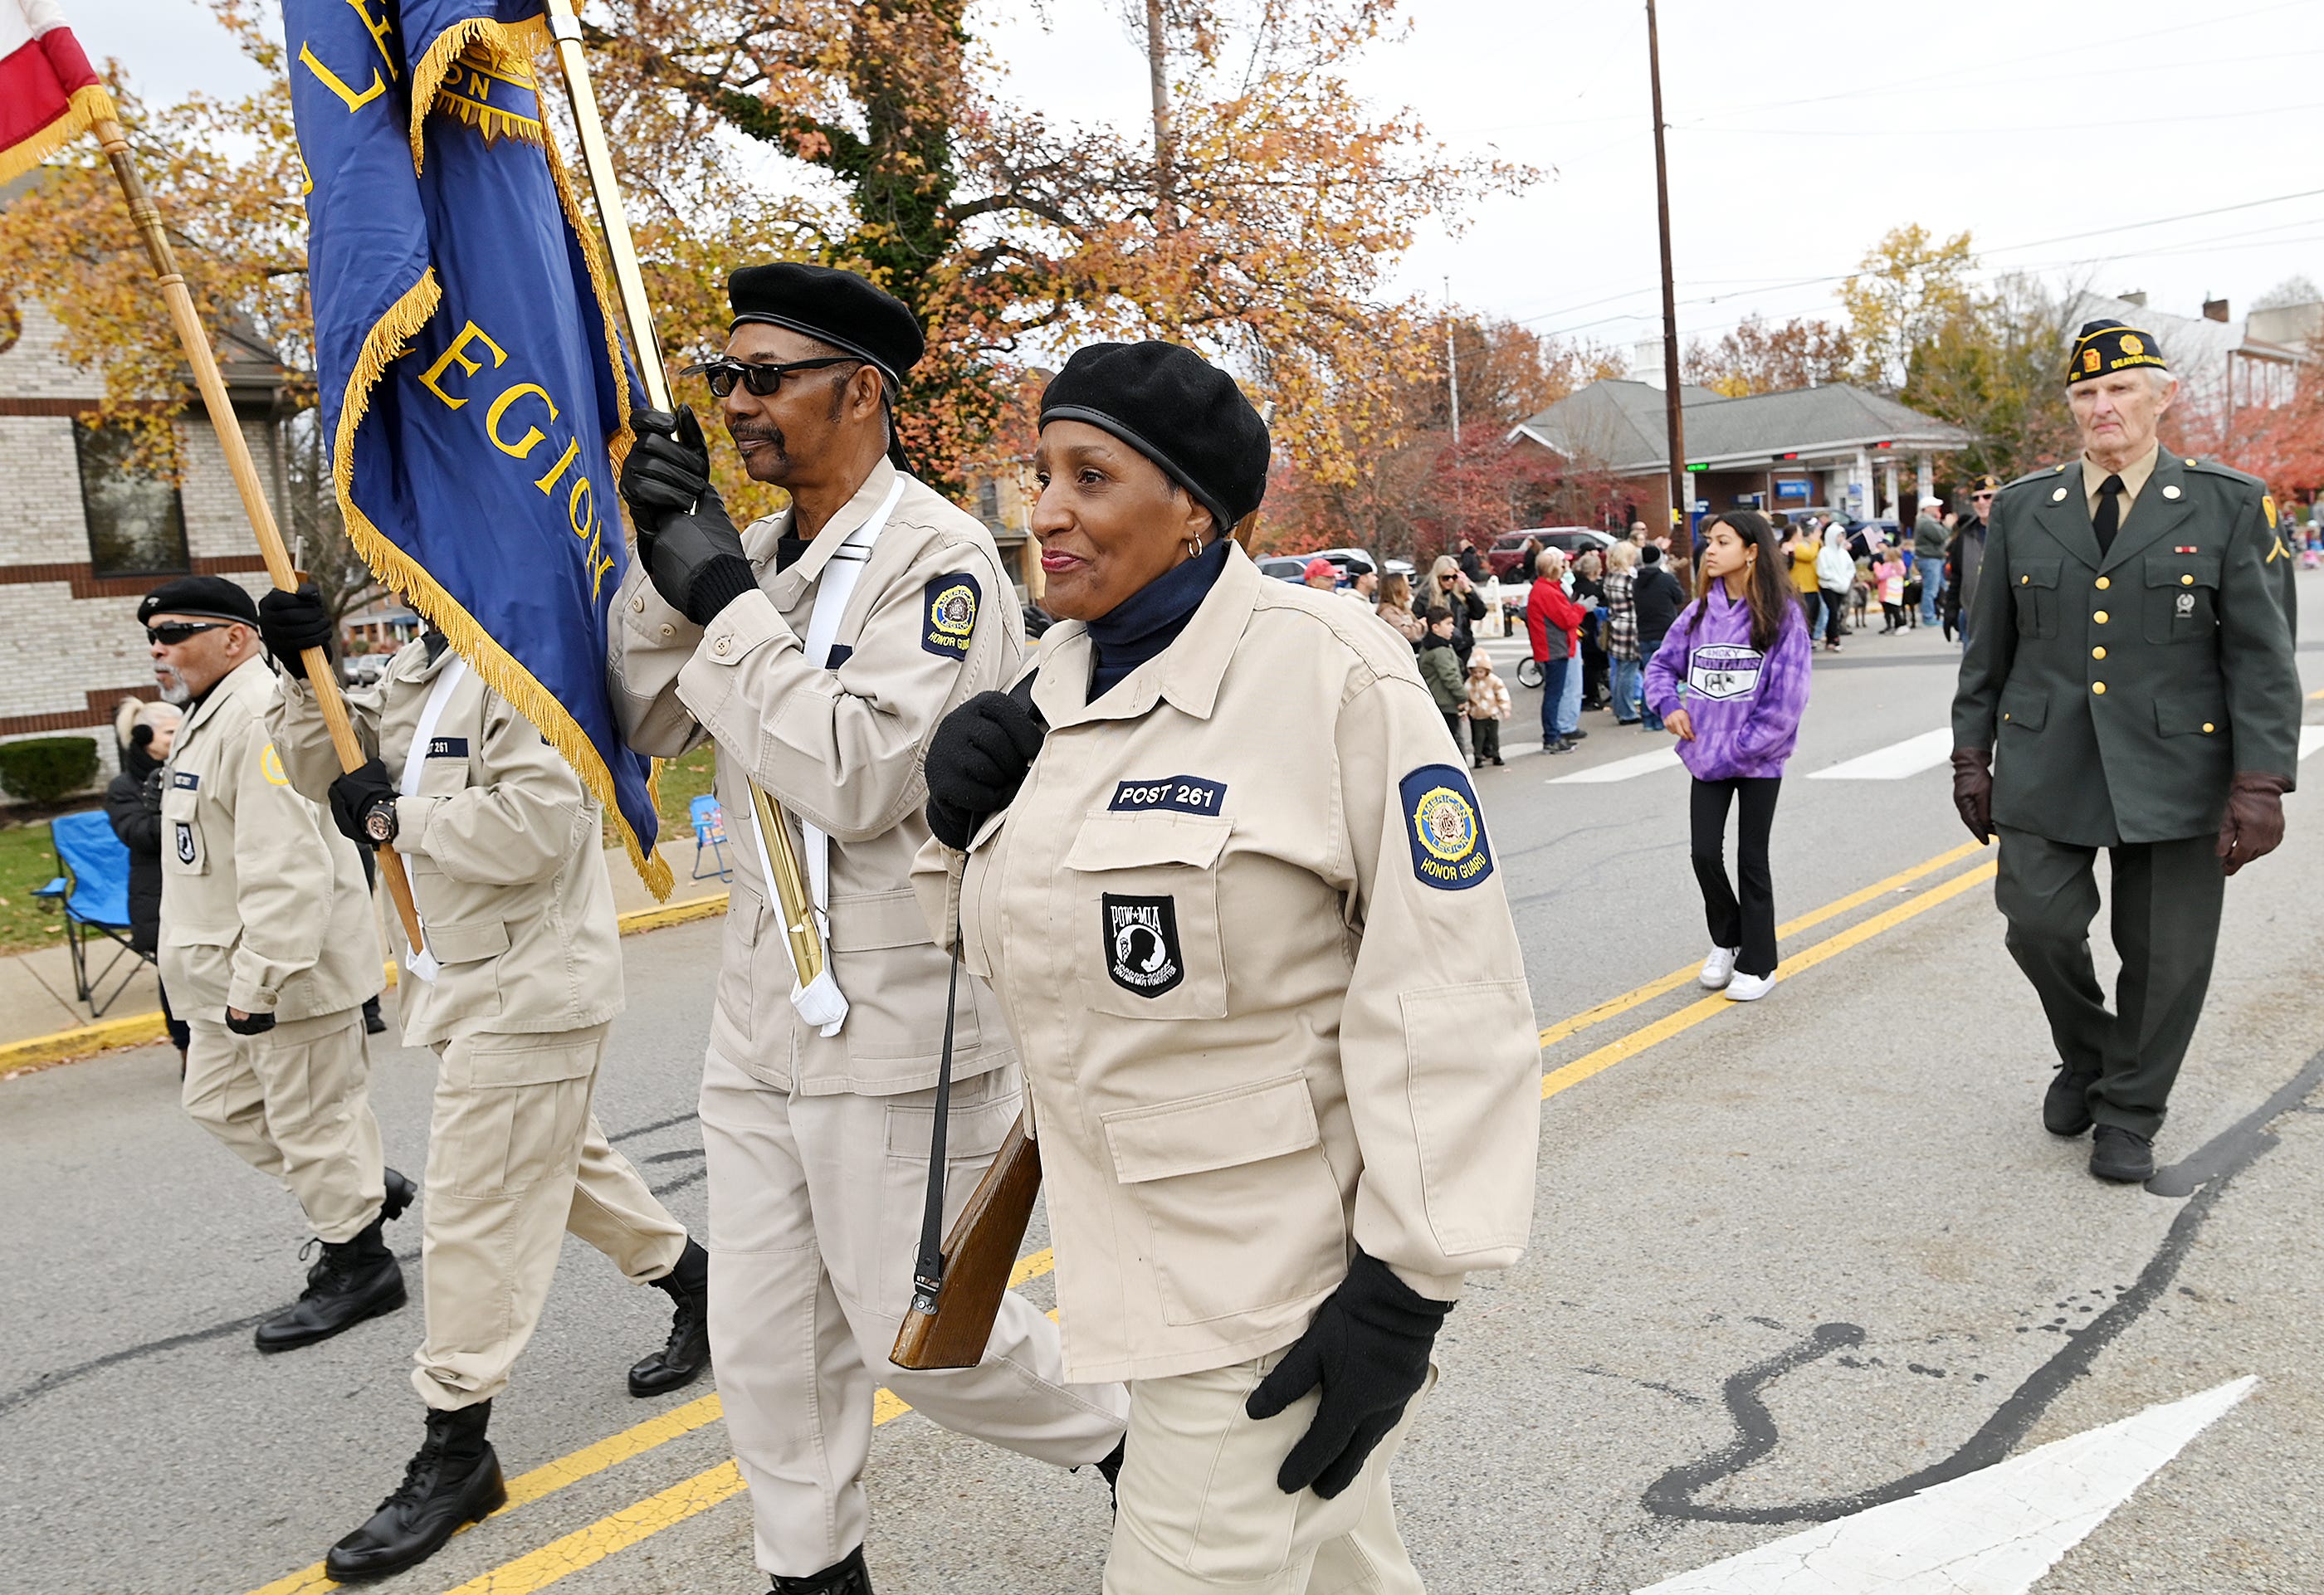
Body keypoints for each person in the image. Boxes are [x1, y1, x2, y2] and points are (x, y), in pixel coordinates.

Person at [914, 339, 1540, 1595]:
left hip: (1272, 1296)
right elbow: (1013, 948)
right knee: (1346, 1573)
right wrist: (951, 824)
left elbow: (1448, 990)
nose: (1046, 510)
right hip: (1137, 1264)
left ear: (1193, 507)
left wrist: (1406, 1292)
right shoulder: (1052, 683)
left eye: (1091, 476)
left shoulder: (1330, 671)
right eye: (1043, 472)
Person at [607, 263, 1128, 1593]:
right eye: (724, 377)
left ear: (859, 393)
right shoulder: (755, 554)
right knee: (767, 1343)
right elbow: (647, 719)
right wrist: (663, 567)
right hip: (760, 1012)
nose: (736, 402)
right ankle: (813, 1569)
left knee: (928, 1337)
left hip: (898, 1012)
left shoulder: (937, 561)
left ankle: (1139, 1443)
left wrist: (726, 608)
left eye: (765, 377)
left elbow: (860, 776)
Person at [257, 598, 714, 1580]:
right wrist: (304, 674)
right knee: (566, 1165)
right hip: (462, 979)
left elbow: (540, 824)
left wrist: (395, 815)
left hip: (530, 988)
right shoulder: (421, 663)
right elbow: (326, 770)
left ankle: (458, 1446)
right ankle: (699, 1284)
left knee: (473, 1211)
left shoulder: (527, 660)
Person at [1951, 318, 2302, 1184]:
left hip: (2179, 766)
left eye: (2119, 388)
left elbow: (2261, 658)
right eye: (2085, 392)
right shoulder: (2025, 507)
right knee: (2036, 924)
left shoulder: (2228, 502)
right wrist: (1970, 756)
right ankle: (2089, 1054)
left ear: (2162, 396)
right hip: (2047, 761)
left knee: (2166, 957)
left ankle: (2131, 1111)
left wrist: (2260, 782)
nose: (2101, 405)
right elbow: (1987, 648)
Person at [139, 576, 407, 1353]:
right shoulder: (210, 712)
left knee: (312, 1125)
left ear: (236, 638)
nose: (159, 648)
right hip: (220, 978)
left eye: (175, 632)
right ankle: (360, 1186)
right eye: (153, 636)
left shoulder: (258, 714)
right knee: (217, 1103)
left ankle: (361, 1266)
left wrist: (261, 982)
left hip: (285, 979)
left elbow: (287, 869)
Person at [1643, 511, 1811, 1006]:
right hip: (1706, 758)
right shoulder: (1698, 614)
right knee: (1703, 853)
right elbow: (1660, 666)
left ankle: (1760, 964)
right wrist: (1669, 706)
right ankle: (1727, 939)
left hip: (1760, 761)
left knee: (1751, 859)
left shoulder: (1782, 616)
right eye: (1709, 542)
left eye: (1722, 541)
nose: (1710, 551)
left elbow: (1787, 701)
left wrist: (1738, 747)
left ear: (1751, 551)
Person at [105, 697, 188, 1062]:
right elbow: (138, 834)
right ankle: (186, 1048)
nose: (178, 738)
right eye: (170, 732)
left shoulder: (193, 769)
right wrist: (175, 810)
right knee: (174, 974)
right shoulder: (124, 787)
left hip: (202, 887)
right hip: (158, 894)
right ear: (144, 736)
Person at [1525, 548, 1587, 753]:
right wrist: (1582, 608)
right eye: (1561, 564)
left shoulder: (1547, 588)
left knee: (1555, 693)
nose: (1564, 567)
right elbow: (1567, 619)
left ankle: (1554, 735)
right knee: (1554, 694)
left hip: (1553, 646)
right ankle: (1552, 737)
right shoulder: (1547, 591)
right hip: (1554, 648)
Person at [1630, 544, 1686, 734]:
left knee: (1650, 676)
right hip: (1664, 632)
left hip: (1644, 633)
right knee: (1664, 676)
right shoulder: (1667, 579)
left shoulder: (1636, 582)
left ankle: (1648, 718)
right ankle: (1661, 715)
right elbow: (1679, 598)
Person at [1944, 476, 1995, 646]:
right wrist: (1951, 609)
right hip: (1972, 616)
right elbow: (1957, 576)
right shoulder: (1965, 534)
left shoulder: (2015, 532)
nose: (1981, 502)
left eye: (1987, 496)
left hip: (2006, 618)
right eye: (1976, 498)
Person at [1602, 541, 1643, 725]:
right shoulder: (1628, 580)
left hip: (1616, 624)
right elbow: (1637, 602)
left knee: (1619, 671)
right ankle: (1627, 711)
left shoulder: (1610, 577)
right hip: (1630, 626)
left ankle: (1620, 708)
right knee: (1629, 670)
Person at [1418, 606, 1467, 752]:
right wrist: (1463, 696)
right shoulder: (1440, 651)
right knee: (1453, 742)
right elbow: (1449, 677)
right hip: (1446, 702)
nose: (1453, 627)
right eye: (1448, 623)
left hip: (1438, 701)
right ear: (1436, 627)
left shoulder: (1431, 647)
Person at [1426, 553, 1487, 666]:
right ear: (1437, 577)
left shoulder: (1462, 592)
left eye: (1454, 577)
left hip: (1463, 647)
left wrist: (1468, 589)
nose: (1450, 581)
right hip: (1439, 648)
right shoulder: (1428, 595)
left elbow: (1479, 613)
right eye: (1446, 578)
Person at [1573, 548, 1609, 710]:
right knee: (1594, 666)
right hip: (1592, 631)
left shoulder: (1577, 585)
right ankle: (1591, 697)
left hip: (1582, 630)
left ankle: (1591, 695)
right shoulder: (1593, 590)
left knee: (1590, 665)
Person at [1466, 653, 1511, 768]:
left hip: (1492, 714)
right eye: (1475, 672)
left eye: (1481, 672)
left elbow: (1502, 694)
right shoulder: (1470, 683)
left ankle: (1496, 755)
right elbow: (1467, 698)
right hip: (1478, 715)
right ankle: (1478, 757)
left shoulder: (1493, 681)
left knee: (1493, 737)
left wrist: (1505, 708)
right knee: (1479, 737)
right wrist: (1465, 711)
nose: (1478, 675)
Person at [1814, 521, 1854, 651]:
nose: (1841, 538)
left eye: (1842, 536)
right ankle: (1833, 639)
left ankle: (1833, 637)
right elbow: (1822, 571)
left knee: (1837, 611)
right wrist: (1835, 579)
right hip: (1828, 586)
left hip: (1842, 586)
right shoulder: (1824, 552)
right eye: (1838, 536)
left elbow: (1850, 568)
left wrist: (1846, 580)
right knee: (1832, 611)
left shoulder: (1843, 553)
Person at [1913, 496, 1949, 627]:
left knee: (1942, 587)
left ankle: (1944, 612)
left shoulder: (1927, 521)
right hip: (1929, 559)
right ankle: (1928, 617)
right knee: (1931, 589)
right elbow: (1940, 536)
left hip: (1933, 558)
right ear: (1927, 508)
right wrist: (1948, 525)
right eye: (1935, 506)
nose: (1938, 508)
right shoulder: (1925, 522)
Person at [1784, 521, 1823, 638]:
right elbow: (1809, 555)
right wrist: (1815, 541)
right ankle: (1803, 638)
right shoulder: (1795, 546)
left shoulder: (1804, 545)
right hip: (1802, 587)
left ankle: (1810, 638)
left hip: (1812, 586)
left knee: (1814, 614)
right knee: (1806, 615)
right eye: (1800, 532)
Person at [1374, 571, 1425, 646]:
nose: (1410, 588)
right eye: (1407, 586)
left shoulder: (1403, 608)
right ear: (1397, 589)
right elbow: (1405, 634)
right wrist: (1422, 624)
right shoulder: (1388, 612)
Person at [1874, 544, 1907, 633]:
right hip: (1897, 590)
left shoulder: (1888, 565)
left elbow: (1881, 576)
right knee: (1896, 608)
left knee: (1889, 609)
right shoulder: (1900, 564)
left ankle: (1897, 625)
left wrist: (1877, 567)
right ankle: (1898, 625)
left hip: (1888, 590)